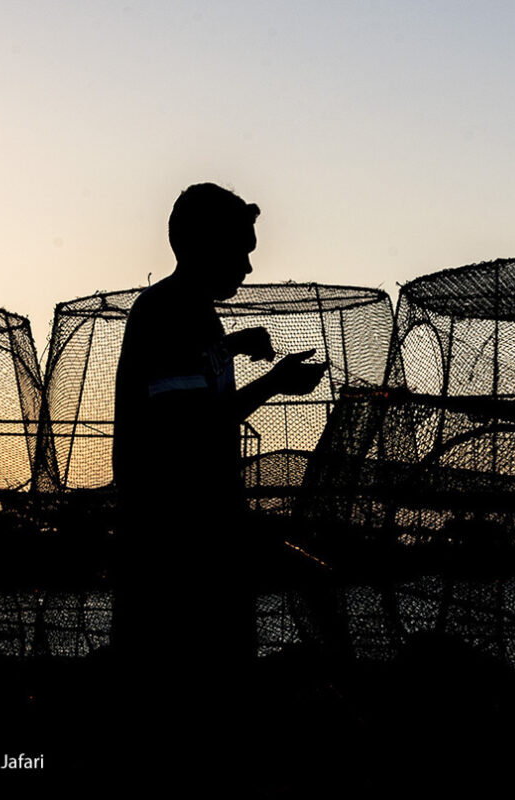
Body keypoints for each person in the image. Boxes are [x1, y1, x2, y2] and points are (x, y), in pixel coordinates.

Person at [110, 182, 325, 684]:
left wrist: (234, 344)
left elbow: (188, 378)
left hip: (193, 530)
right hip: (176, 541)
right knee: (194, 674)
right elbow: (190, 425)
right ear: (204, 246)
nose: (247, 268)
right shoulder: (171, 312)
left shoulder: (193, 312)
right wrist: (275, 382)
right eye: (240, 252)